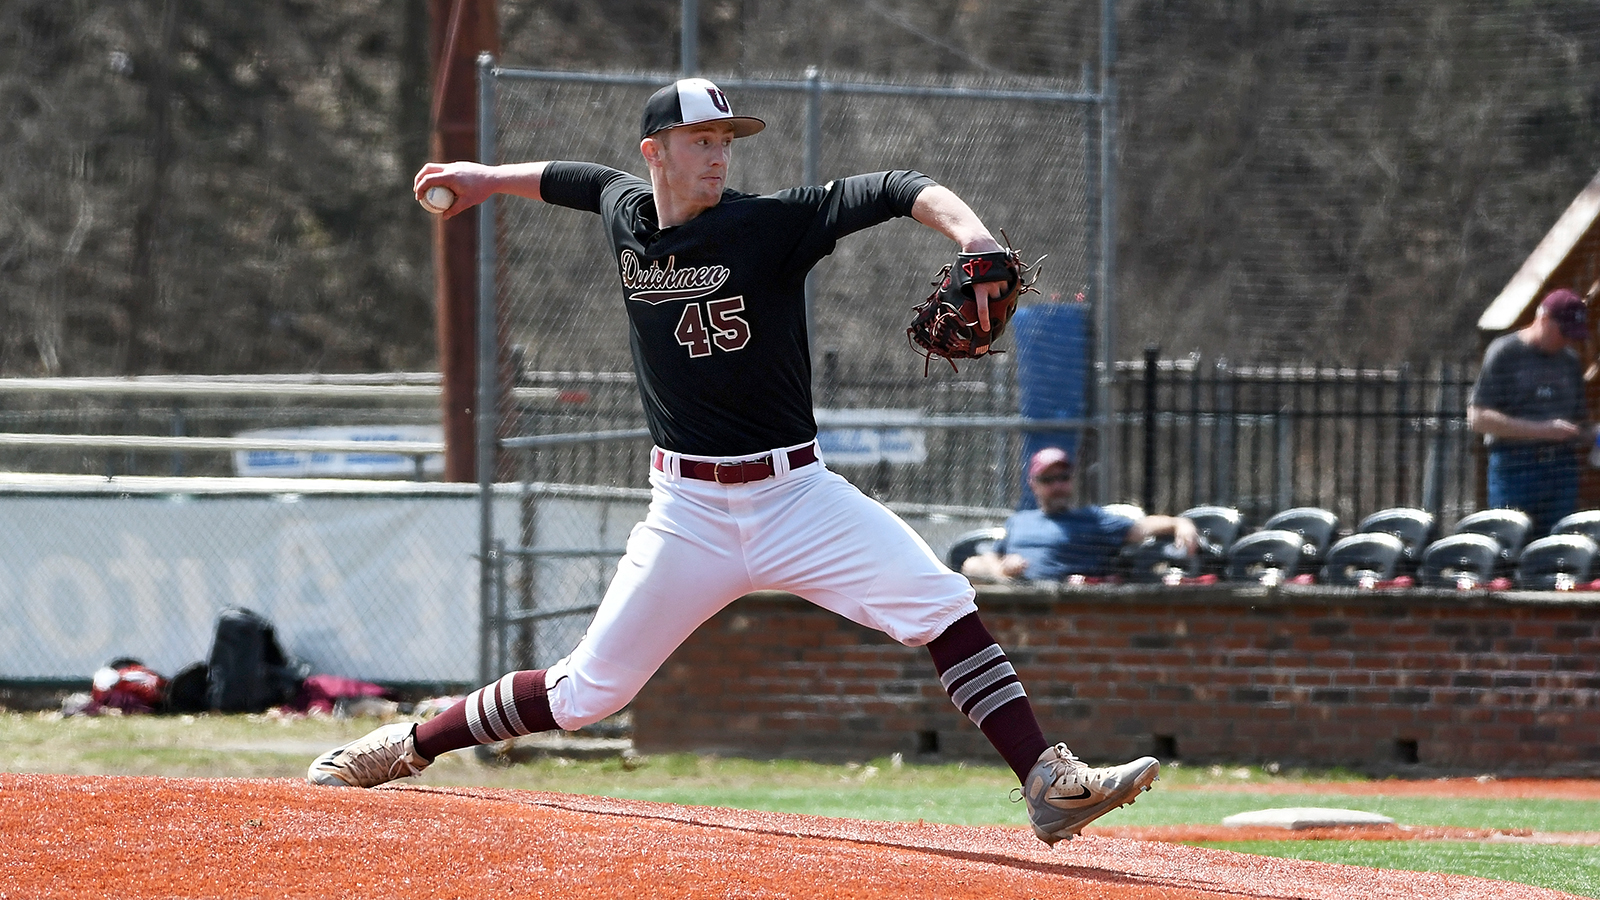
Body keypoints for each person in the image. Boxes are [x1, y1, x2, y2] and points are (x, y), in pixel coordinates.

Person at [305, 78, 1157, 845]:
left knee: (941, 601)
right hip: (688, 514)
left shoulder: (767, 227)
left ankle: (1047, 782)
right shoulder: (627, 213)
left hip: (799, 497)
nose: (718, 155)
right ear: (656, 153)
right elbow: (572, 179)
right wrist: (485, 179)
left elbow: (894, 189)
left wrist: (971, 231)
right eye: (701, 140)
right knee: (584, 696)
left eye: (727, 141)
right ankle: (408, 743)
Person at [962, 447, 1199, 582]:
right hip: (1014, 597)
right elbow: (987, 558)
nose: (1057, 486)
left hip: (1060, 603)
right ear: (1033, 484)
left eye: (1063, 478)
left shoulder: (1092, 520)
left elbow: (1143, 527)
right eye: (1048, 480)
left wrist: (1180, 523)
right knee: (970, 564)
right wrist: (1002, 570)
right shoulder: (1019, 521)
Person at [1468, 287, 1595, 536]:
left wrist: (1593, 434)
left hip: (1561, 469)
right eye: (1564, 332)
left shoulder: (1569, 361)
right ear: (1544, 319)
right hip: (1515, 467)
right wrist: (1541, 430)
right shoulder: (1505, 353)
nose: (1568, 340)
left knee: (1558, 548)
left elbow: (1580, 423)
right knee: (1511, 545)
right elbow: (1478, 418)